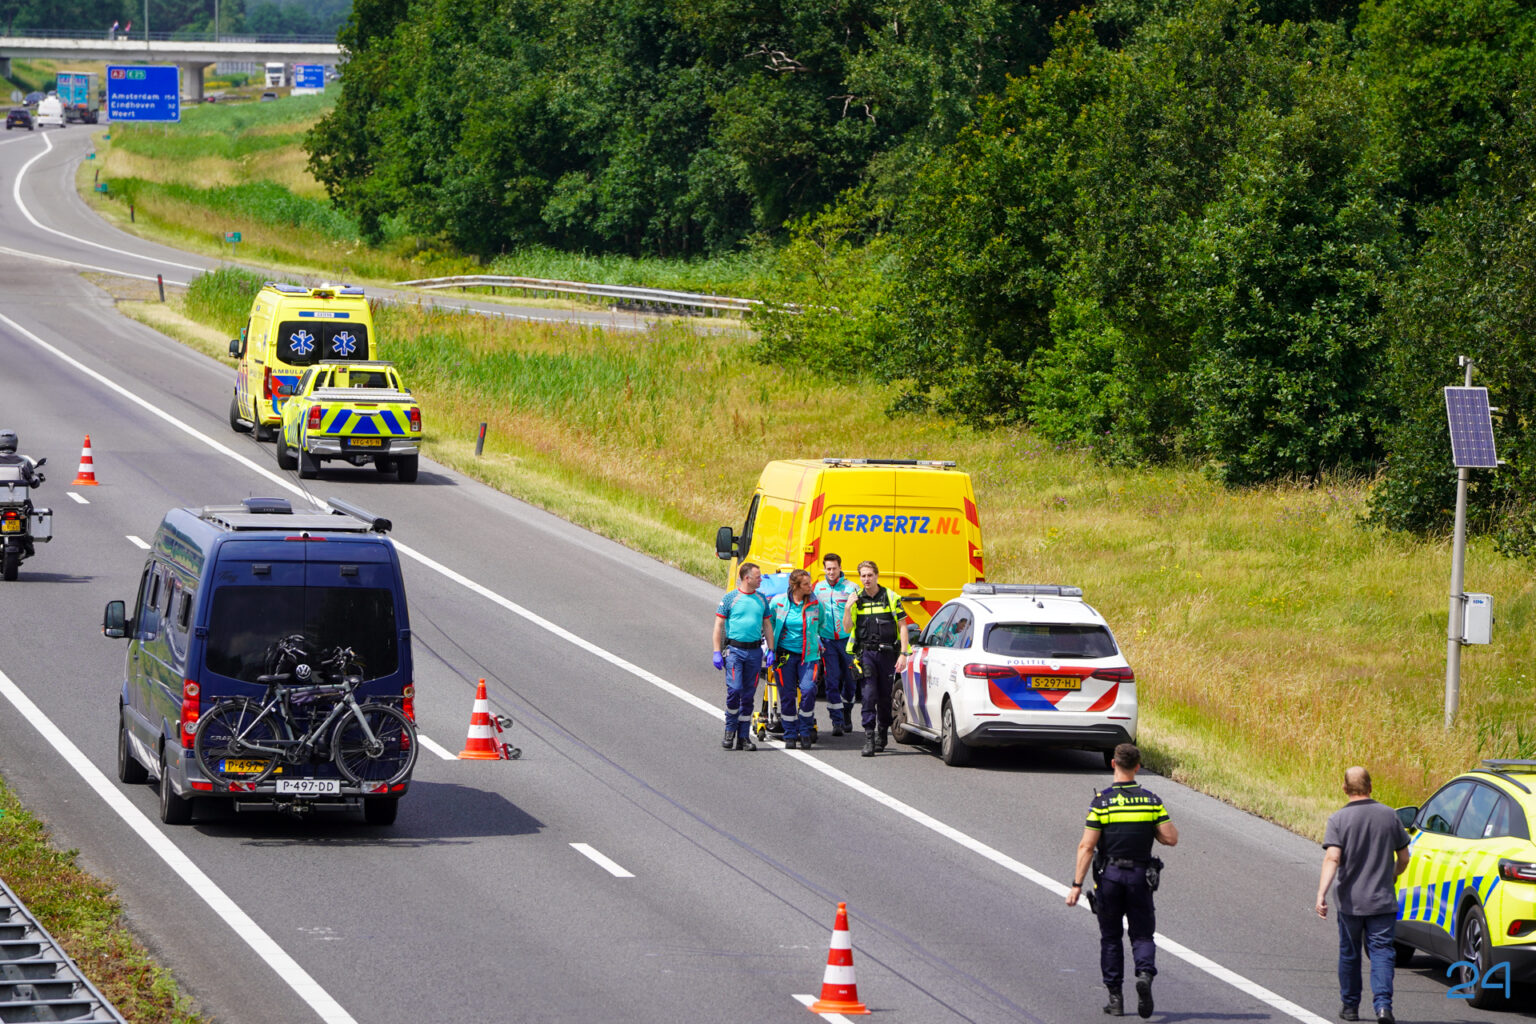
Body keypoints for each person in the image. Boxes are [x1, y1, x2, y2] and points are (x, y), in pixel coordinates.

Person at [1066, 742, 1178, 1018]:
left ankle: (1115, 998)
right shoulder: (1152, 800)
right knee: (1142, 934)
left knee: (1111, 938)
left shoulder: (1101, 802)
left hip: (1110, 878)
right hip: (1140, 877)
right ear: (1137, 766)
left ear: (1113, 764)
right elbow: (1171, 838)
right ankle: (1144, 974)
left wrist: (1077, 885)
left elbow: (1087, 847)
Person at [1316, 766, 1411, 1024]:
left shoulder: (1338, 820)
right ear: (1371, 787)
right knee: (1382, 952)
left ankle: (1350, 1007)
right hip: (1382, 901)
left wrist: (1321, 894)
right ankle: (1383, 1007)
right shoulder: (1390, 816)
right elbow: (1404, 858)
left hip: (1350, 903)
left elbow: (1332, 857)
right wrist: (1391, 876)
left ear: (1344, 788)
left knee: (1350, 953)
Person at [840, 560, 909, 757]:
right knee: (868, 696)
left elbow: (903, 626)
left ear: (877, 576)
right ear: (859, 577)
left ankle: (882, 733)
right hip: (866, 654)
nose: (866, 579)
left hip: (887, 654)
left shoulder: (890, 597)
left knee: (884, 698)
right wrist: (847, 609)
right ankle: (869, 737)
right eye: (863, 576)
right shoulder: (856, 599)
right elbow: (846, 628)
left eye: (870, 575)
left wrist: (903, 654)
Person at [712, 562, 774, 750]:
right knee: (735, 690)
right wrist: (717, 651)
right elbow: (718, 626)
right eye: (758, 576)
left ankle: (744, 737)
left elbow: (768, 626)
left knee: (748, 695)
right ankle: (730, 731)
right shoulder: (730, 598)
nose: (761, 579)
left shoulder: (762, 599)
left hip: (754, 653)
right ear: (747, 578)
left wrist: (771, 649)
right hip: (735, 652)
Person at [768, 569, 829, 750]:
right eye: (806, 584)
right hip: (784, 655)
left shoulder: (816, 603)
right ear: (795, 586)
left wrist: (816, 638)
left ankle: (805, 730)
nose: (810, 587)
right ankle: (789, 734)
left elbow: (821, 623)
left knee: (808, 690)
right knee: (787, 695)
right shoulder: (778, 602)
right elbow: (769, 624)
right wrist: (770, 647)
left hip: (808, 655)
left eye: (810, 583)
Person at [813, 553, 859, 736]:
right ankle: (837, 721)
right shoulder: (818, 588)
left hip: (847, 641)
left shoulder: (851, 588)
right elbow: (813, 613)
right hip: (827, 641)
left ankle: (847, 710)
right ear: (824, 569)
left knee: (850, 681)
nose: (831, 572)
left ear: (840, 568)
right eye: (828, 568)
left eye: (834, 568)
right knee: (832, 680)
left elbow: (859, 615)